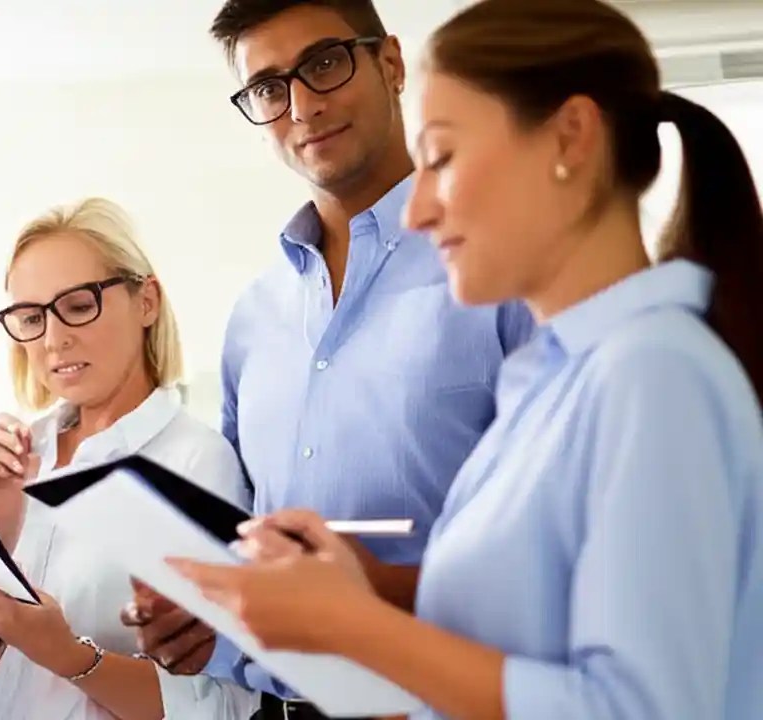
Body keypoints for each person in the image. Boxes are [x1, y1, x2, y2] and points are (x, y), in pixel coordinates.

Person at [169, 0, 763, 718]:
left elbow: (637, 707)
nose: (416, 211)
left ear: (570, 138)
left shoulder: (654, 375)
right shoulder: (552, 383)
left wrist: (352, 624)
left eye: (443, 157)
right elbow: (526, 614)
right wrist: (363, 585)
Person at [123, 1, 535, 717]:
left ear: (391, 63)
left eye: (323, 63)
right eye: (269, 88)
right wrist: (198, 621)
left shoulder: (509, 269)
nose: (303, 105)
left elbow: (569, 542)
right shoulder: (254, 317)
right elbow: (245, 537)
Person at [0, 198, 258, 719]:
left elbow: (221, 706)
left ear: (146, 300)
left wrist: (67, 655)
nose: (55, 339)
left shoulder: (198, 465)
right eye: (31, 317)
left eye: (79, 306)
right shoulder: (19, 457)